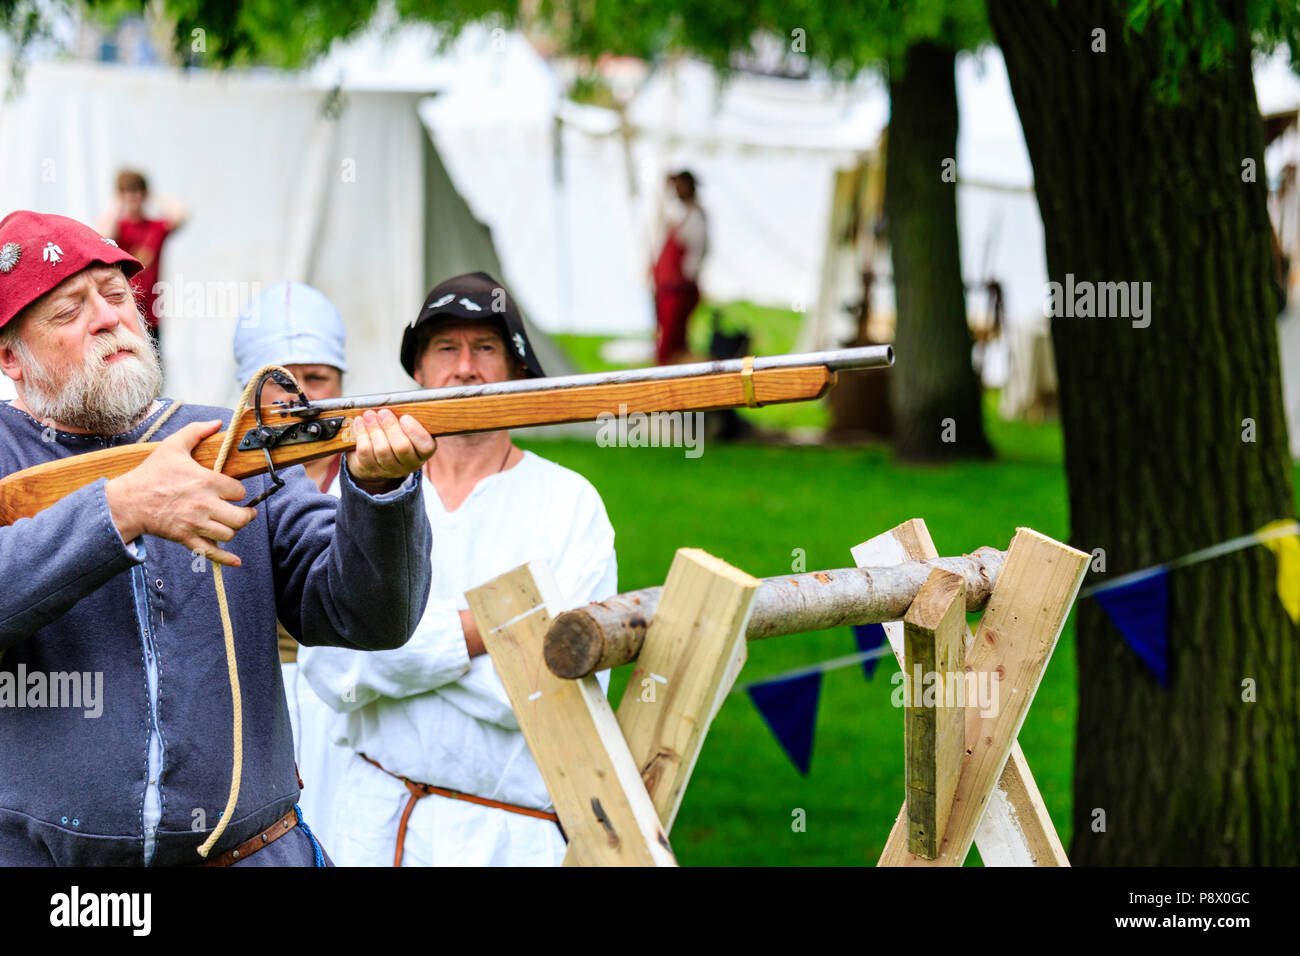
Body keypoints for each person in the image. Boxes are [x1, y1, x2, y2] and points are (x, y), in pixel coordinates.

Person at [0, 210, 436, 866]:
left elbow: (368, 618)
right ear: (10, 356)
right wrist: (116, 512)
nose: (108, 317)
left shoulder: (227, 440)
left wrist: (378, 495)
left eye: (116, 295)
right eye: (68, 311)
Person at [299, 272, 618, 867]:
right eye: (446, 348)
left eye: (486, 348)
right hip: (376, 826)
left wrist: (390, 652)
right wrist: (493, 627)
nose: (465, 367)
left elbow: (549, 690)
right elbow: (334, 669)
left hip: (514, 838)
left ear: (519, 369)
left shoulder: (571, 504)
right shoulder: (367, 494)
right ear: (418, 371)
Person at [232, 280, 355, 852]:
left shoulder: (387, 481)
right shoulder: (212, 490)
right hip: (252, 735)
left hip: (362, 741)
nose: (299, 397)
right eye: (278, 382)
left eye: (317, 378)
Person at [98, 170, 187, 352]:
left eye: (137, 192)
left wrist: (153, 196)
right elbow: (101, 236)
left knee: (155, 367)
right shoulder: (119, 228)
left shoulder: (155, 227)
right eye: (128, 193)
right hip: (123, 312)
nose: (134, 198)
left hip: (151, 314)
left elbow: (182, 214)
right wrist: (118, 204)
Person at [651, 170, 709, 364]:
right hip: (668, 289)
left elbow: (697, 252)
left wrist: (684, 278)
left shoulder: (696, 217)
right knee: (669, 341)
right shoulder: (678, 212)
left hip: (679, 291)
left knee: (669, 345)